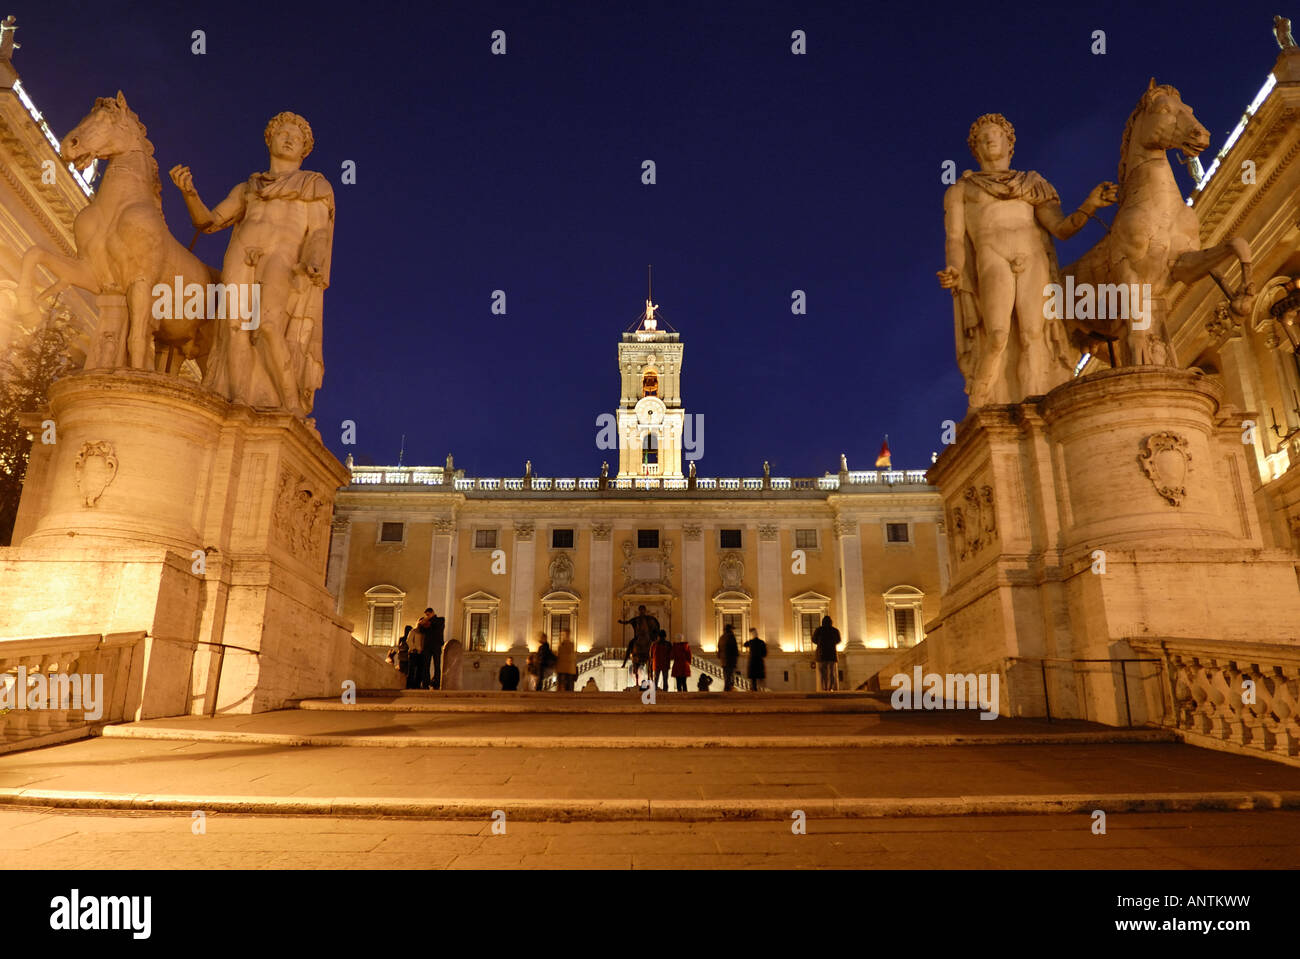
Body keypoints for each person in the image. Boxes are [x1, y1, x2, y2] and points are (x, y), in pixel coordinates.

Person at [937, 112, 1116, 408]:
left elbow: (1061, 229)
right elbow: (955, 238)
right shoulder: (961, 190)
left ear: (1010, 144)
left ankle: (1039, 406)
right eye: (982, 139)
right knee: (997, 335)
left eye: (995, 135)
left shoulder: (1032, 183)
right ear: (976, 150)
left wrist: (1089, 205)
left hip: (1033, 259)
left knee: (1034, 335)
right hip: (992, 258)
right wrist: (955, 269)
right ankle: (981, 400)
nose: (989, 140)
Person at [170, 112, 334, 415]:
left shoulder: (314, 185)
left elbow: (320, 232)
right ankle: (239, 402)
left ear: (304, 150)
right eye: (282, 133)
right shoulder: (248, 188)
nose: (288, 139)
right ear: (269, 139)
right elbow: (208, 222)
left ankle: (290, 403)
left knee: (269, 325)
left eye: (295, 138)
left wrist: (312, 260)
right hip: (242, 253)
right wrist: (189, 193)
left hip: (281, 258)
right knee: (234, 326)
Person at [618, 604, 660, 686]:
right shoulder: (636, 619)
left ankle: (654, 659)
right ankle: (624, 661)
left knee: (654, 646)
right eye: (640, 610)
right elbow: (628, 622)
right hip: (638, 637)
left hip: (648, 637)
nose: (641, 611)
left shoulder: (649, 619)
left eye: (643, 610)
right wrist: (622, 622)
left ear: (645, 610)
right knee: (631, 644)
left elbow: (656, 625)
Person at [812, 615, 842, 692]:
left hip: (821, 654)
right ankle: (830, 688)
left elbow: (814, 639)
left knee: (823, 673)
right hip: (832, 654)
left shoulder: (819, 630)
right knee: (832, 672)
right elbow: (838, 640)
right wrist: (832, 643)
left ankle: (824, 687)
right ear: (831, 622)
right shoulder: (835, 630)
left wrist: (820, 643)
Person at [423, 608, 446, 690]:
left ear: (432, 613)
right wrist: (426, 622)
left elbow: (436, 624)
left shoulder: (440, 620)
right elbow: (422, 629)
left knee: (437, 664)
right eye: (426, 615)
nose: (427, 616)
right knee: (426, 665)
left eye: (428, 614)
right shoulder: (426, 622)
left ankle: (436, 683)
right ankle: (426, 683)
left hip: (436, 645)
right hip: (427, 646)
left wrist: (428, 621)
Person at [744, 627, 767, 692]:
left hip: (753, 662)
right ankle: (760, 689)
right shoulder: (761, 642)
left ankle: (754, 689)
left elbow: (745, 644)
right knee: (759, 677)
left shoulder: (751, 642)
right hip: (759, 662)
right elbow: (764, 653)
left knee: (753, 678)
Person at [718, 624, 739, 692]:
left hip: (723, 660)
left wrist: (720, 657)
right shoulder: (731, 636)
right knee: (729, 674)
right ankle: (727, 688)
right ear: (730, 629)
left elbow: (719, 649)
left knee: (726, 674)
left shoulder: (721, 637)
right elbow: (734, 648)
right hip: (730, 659)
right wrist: (736, 657)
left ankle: (726, 687)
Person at [405, 620, 425, 690]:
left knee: (420, 670)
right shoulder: (413, 631)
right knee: (411, 670)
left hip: (421, 653)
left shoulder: (424, 632)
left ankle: (417, 684)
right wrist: (413, 648)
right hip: (414, 653)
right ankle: (409, 684)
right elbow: (409, 640)